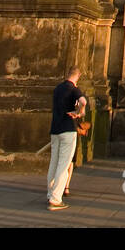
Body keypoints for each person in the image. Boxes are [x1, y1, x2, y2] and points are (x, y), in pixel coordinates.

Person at [47, 66, 87, 211]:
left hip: (55, 129)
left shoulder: (57, 88)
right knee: (64, 165)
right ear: (78, 76)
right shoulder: (74, 89)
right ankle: (56, 198)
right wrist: (79, 113)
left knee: (54, 162)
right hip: (68, 129)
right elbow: (84, 102)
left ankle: (50, 192)